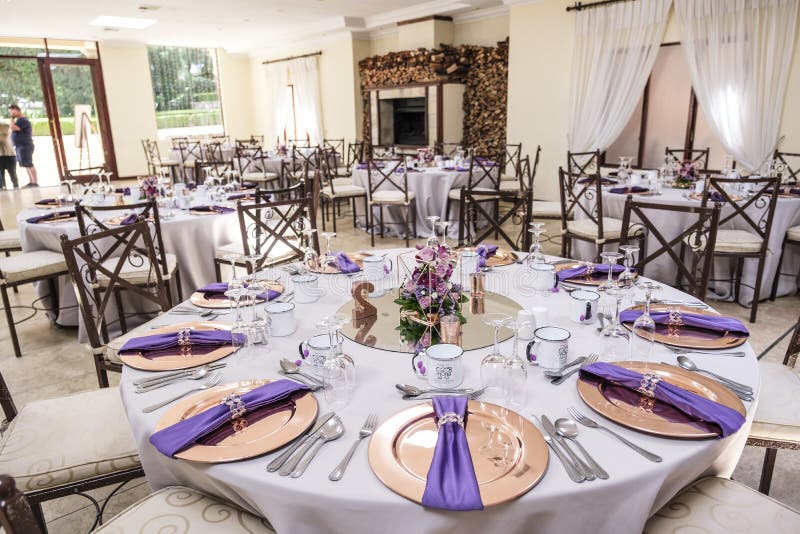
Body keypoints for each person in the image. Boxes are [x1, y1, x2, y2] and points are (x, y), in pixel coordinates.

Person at [8, 104, 38, 187]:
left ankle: (35, 182)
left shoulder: (23, 120)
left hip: (25, 146)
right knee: (25, 165)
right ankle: (31, 182)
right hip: (20, 146)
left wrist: (12, 118)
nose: (11, 114)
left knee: (29, 164)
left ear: (17, 110)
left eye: (12, 111)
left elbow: (13, 127)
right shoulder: (19, 120)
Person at [0, 121, 18, 190]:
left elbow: (2, 139)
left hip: (9, 155)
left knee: (12, 172)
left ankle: (16, 187)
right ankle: (2, 188)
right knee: (1, 174)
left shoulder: (5, 126)